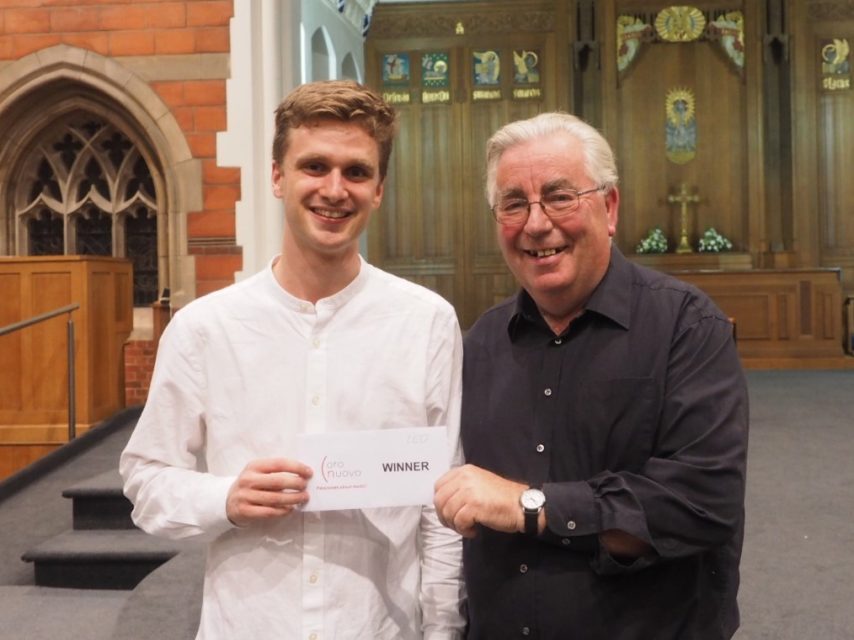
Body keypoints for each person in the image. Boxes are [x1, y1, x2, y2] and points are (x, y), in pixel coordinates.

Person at [120, 80, 465, 640]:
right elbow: (145, 479)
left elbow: (439, 503)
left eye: (356, 172)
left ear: (379, 189)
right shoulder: (205, 328)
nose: (335, 189)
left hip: (376, 627)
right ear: (278, 176)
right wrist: (225, 496)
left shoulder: (425, 322)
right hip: (249, 625)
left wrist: (444, 629)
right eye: (314, 167)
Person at [434, 112, 748, 640]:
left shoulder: (686, 326)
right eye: (514, 203)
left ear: (610, 207)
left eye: (560, 196)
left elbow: (700, 502)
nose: (536, 223)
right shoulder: (481, 344)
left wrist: (529, 507)